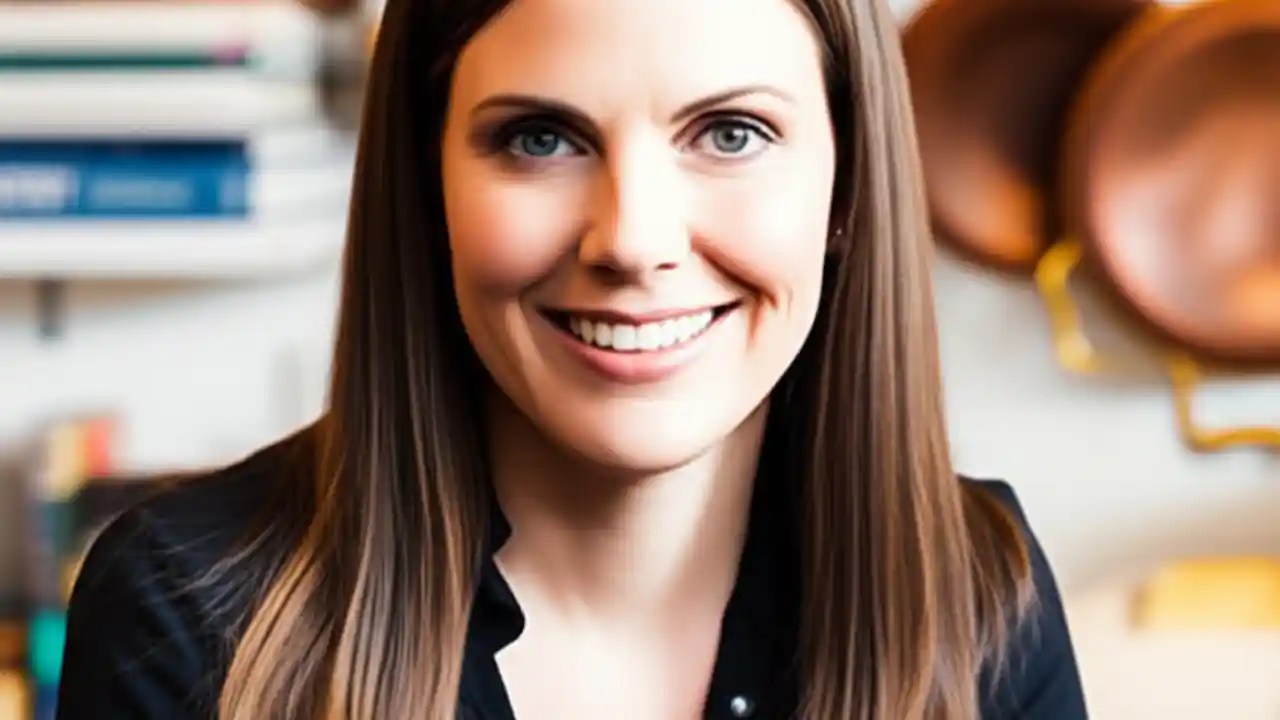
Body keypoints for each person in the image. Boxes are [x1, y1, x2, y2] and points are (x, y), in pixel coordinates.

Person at [55, 0, 1088, 717]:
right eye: (541, 140)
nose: (633, 241)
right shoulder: (188, 614)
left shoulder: (974, 595)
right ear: (427, 187)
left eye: (729, 134)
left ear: (847, 187)